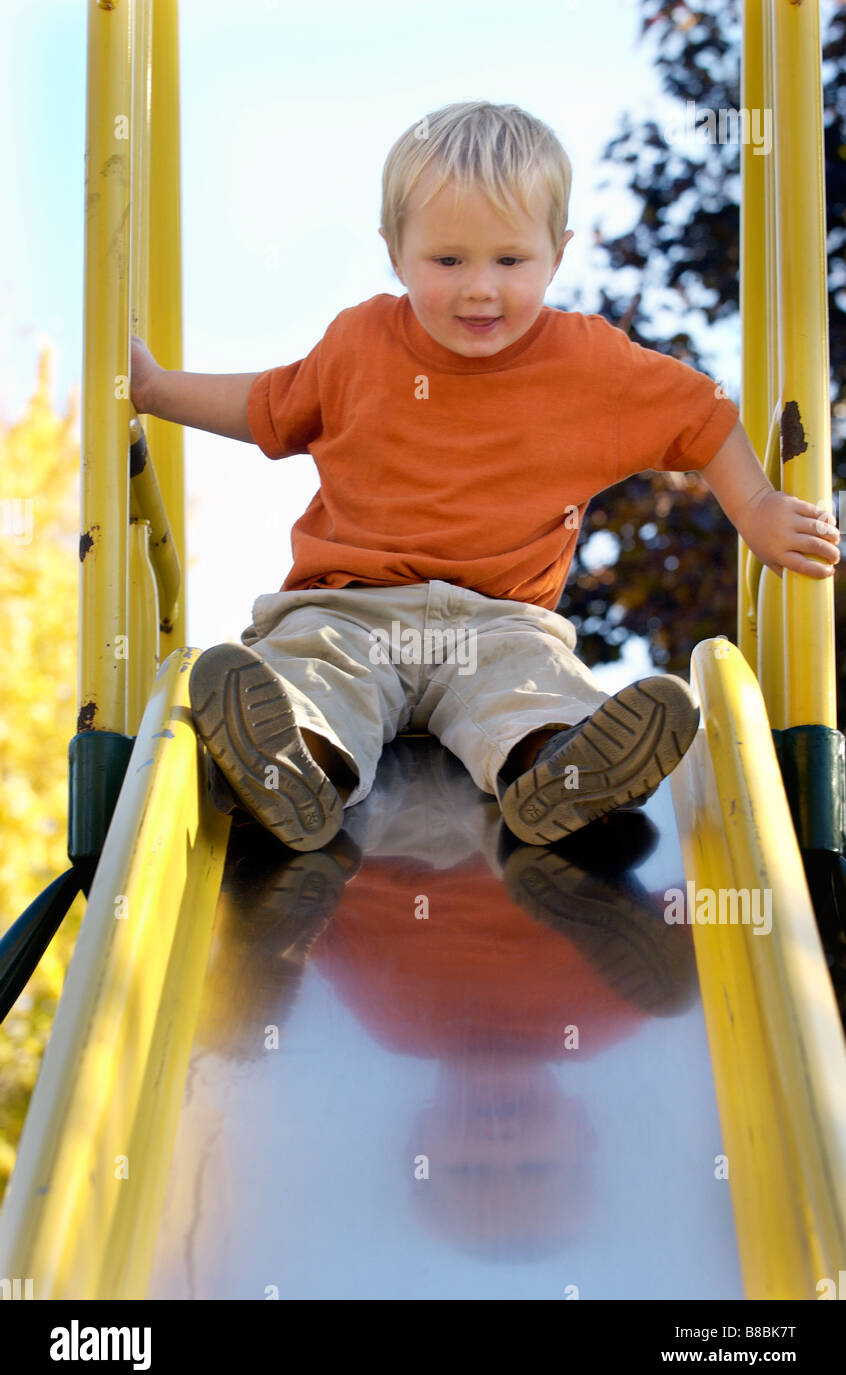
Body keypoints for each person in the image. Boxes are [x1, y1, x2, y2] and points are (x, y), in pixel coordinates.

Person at [130, 101, 840, 853]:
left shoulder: (588, 364)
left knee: (535, 688)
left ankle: (561, 772)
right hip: (350, 609)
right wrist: (156, 390)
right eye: (447, 261)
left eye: (510, 261)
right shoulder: (360, 343)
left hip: (502, 623)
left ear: (557, 254)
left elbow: (704, 417)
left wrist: (757, 506)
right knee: (315, 674)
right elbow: (269, 405)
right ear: (394, 252)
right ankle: (296, 765)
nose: (479, 288)